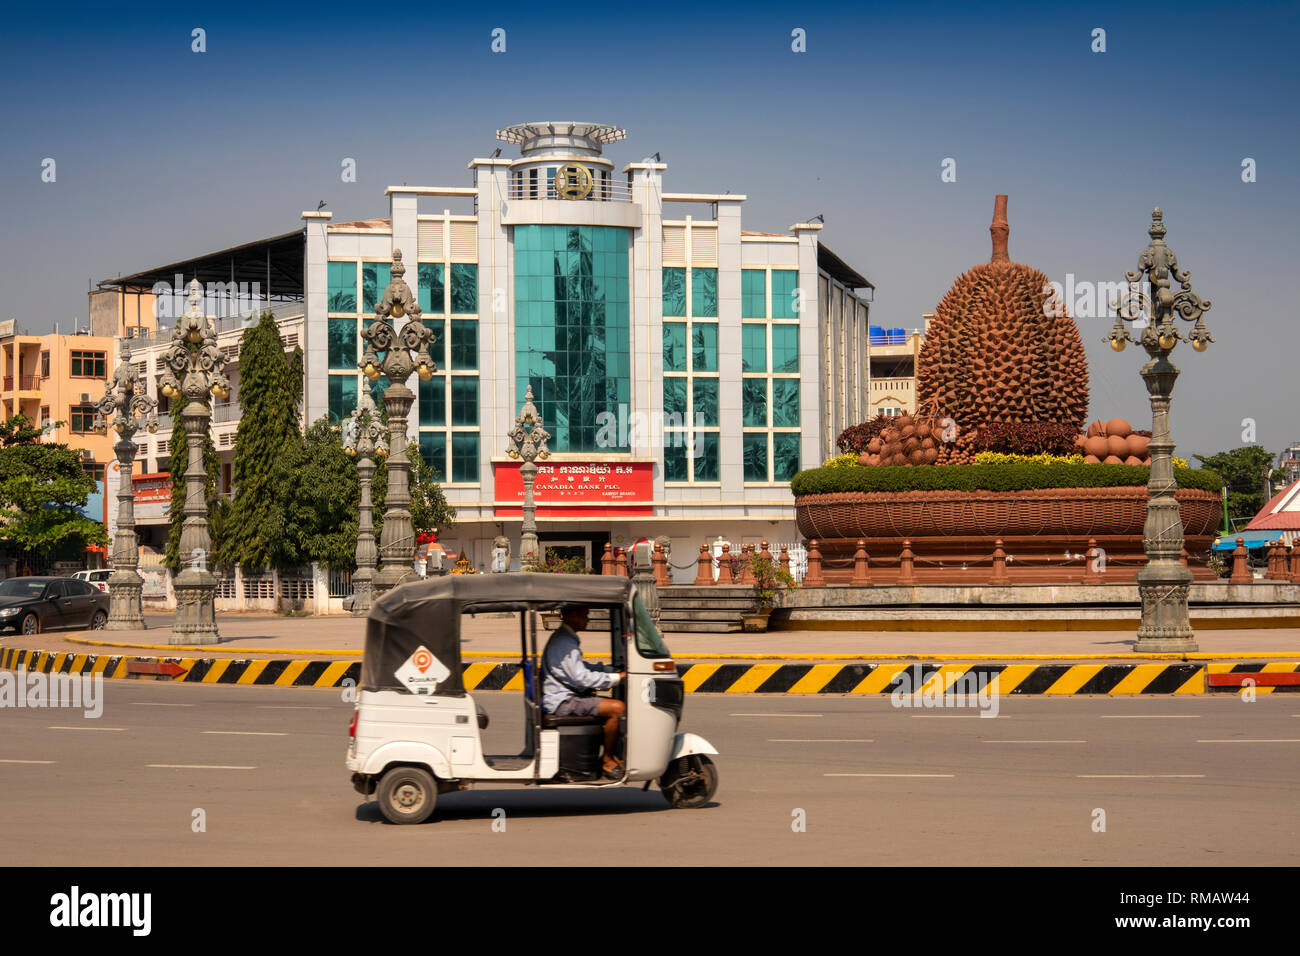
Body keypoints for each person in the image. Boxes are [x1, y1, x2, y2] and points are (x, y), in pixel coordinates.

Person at [541, 604, 626, 777]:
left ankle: (610, 754)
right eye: (584, 615)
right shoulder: (565, 642)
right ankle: (607, 761)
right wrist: (617, 678)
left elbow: (578, 668)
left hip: (564, 697)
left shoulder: (565, 639)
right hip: (563, 701)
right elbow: (582, 677)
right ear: (572, 616)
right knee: (617, 708)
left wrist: (608, 670)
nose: (588, 619)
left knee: (609, 705)